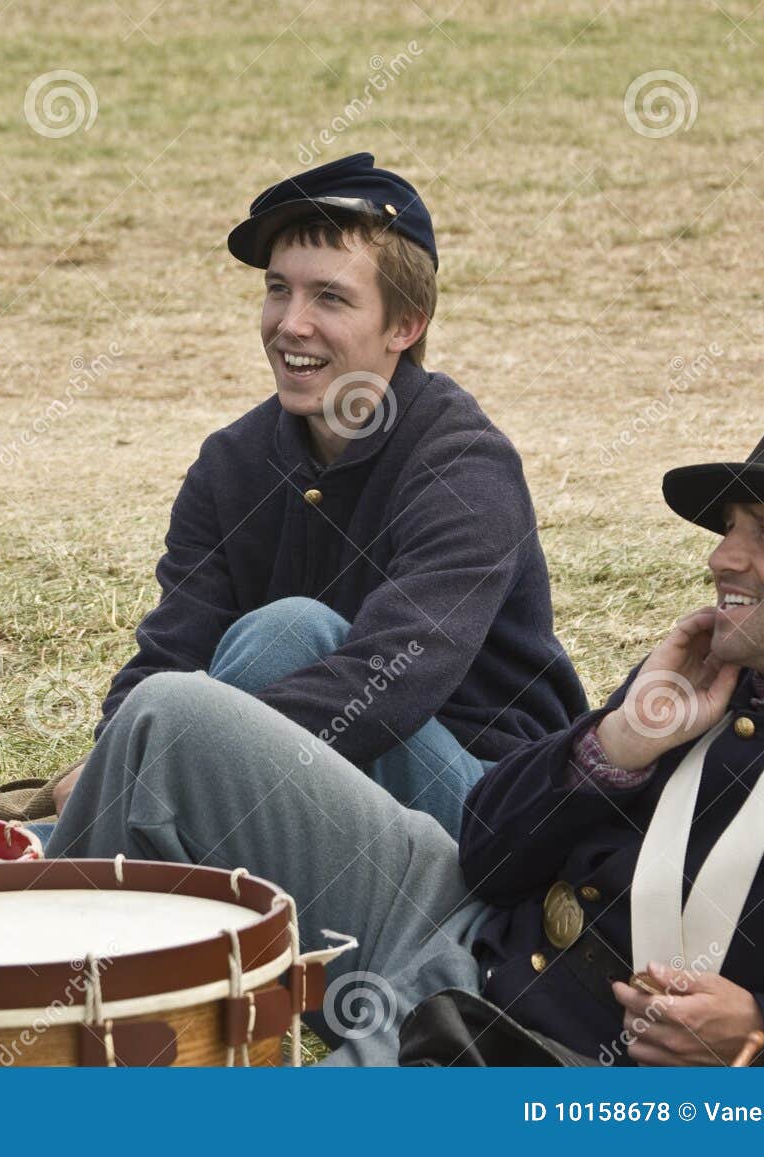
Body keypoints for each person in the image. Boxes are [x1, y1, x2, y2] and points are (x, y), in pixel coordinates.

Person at [48, 407, 764, 1066]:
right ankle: (15, 1025)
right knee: (169, 714)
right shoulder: (699, 677)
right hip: (456, 924)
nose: (724, 556)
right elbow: (485, 843)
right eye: (729, 527)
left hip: (537, 1061)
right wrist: (620, 740)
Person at [53, 154, 585, 836]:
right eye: (279, 289)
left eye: (329, 298)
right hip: (310, 787)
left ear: (405, 326)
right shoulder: (231, 464)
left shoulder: (464, 464)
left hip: (484, 813)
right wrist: (114, 755)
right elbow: (170, 652)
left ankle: (106, 867)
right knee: (230, 676)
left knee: (288, 632)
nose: (290, 324)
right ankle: (106, 866)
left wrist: (178, 755)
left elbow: (391, 682)